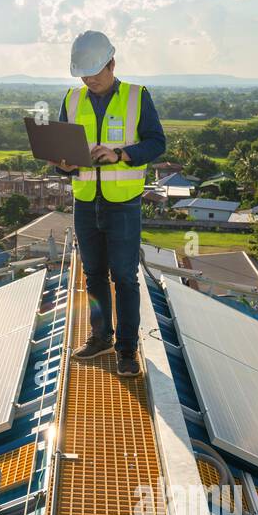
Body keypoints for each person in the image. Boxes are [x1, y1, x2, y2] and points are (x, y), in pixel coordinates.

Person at [50, 30, 166, 376]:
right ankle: (101, 337)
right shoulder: (72, 99)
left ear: (112, 64)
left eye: (95, 73)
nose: (89, 80)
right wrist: (63, 164)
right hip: (86, 201)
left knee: (125, 277)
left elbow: (156, 142)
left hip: (123, 204)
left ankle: (127, 350)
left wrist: (120, 154)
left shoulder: (137, 96)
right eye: (83, 74)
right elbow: (62, 150)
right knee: (94, 274)